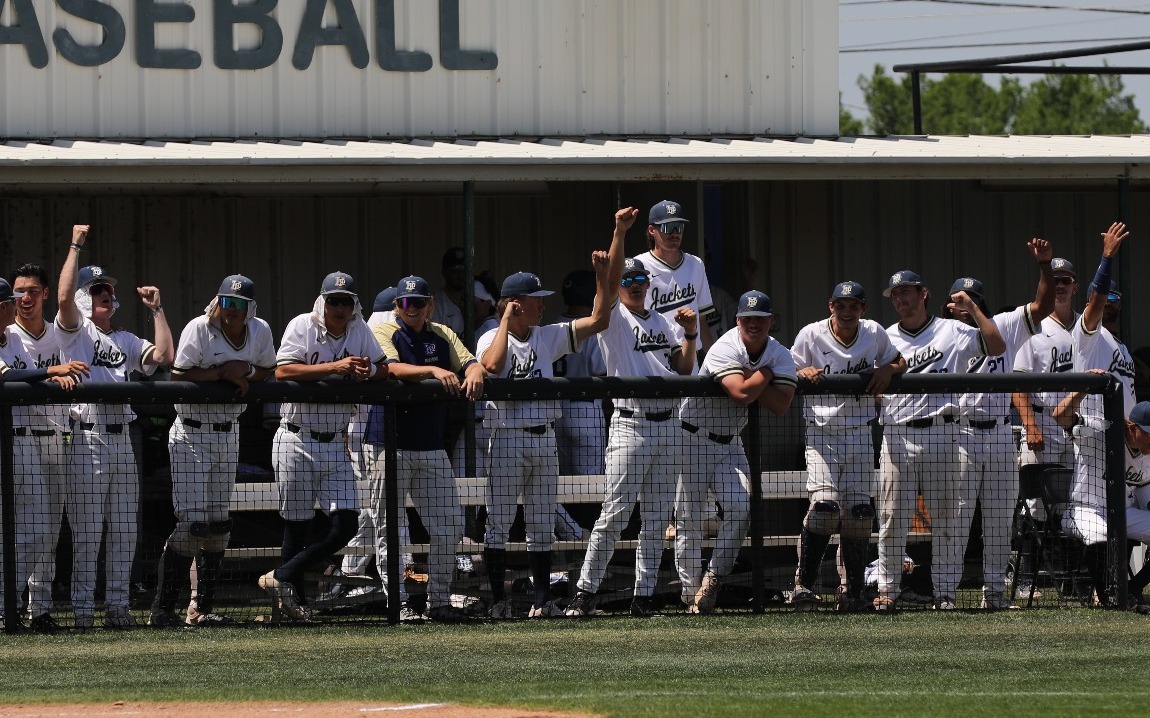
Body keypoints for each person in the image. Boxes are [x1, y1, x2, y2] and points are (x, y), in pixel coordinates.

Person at [566, 207, 698, 618]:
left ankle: (644, 596)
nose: (636, 284)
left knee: (657, 519)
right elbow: (608, 282)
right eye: (629, 279)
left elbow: (684, 368)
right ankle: (585, 592)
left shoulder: (663, 320)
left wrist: (691, 333)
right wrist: (619, 232)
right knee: (616, 514)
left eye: (641, 279)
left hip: (667, 424)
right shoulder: (614, 319)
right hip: (631, 425)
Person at [476, 250, 614, 620]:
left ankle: (541, 600)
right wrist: (504, 319)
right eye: (536, 301)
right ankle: (498, 600)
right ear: (516, 305)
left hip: (543, 437)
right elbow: (491, 365)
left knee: (540, 522)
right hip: (506, 436)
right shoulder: (491, 336)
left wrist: (602, 279)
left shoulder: (548, 336)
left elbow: (599, 320)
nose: (542, 306)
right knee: (499, 522)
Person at [56, 225, 175, 629]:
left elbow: (163, 355)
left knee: (124, 529)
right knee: (88, 533)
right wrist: (75, 246)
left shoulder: (123, 337)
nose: (105, 294)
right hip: (86, 435)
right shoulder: (74, 330)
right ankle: (84, 611)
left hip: (123, 437)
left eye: (107, 289)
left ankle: (119, 607)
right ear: (83, 298)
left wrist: (157, 309)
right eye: (96, 289)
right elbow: (62, 296)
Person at [258, 272, 388, 622]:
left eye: (346, 301)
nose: (340, 307)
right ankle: (292, 604)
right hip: (297, 436)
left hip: (335, 442)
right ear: (322, 301)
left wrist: (366, 369)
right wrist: (336, 366)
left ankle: (281, 577)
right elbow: (282, 372)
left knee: (345, 524)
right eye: (334, 300)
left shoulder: (359, 330)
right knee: (297, 525)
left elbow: (383, 369)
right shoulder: (302, 325)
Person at [874, 270, 1005, 612]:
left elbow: (996, 345)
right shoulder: (884, 338)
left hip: (943, 431)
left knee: (946, 518)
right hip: (897, 435)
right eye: (895, 294)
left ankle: (944, 592)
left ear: (924, 294)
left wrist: (973, 310)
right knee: (892, 517)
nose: (901, 299)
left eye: (907, 292)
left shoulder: (952, 330)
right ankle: (888, 590)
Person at [152, 274, 277, 627]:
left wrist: (246, 370)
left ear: (250, 308)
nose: (231, 310)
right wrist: (223, 372)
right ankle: (162, 609)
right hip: (192, 433)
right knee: (192, 526)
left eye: (238, 304)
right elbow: (178, 375)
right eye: (226, 301)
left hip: (228, 432)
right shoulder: (199, 328)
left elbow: (269, 369)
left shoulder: (260, 331)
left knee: (219, 527)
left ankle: (200, 608)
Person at [370, 274, 486, 623]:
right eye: (405, 303)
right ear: (397, 306)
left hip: (431, 444)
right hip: (389, 443)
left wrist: (476, 370)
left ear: (430, 304)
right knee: (389, 527)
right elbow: (392, 368)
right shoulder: (385, 331)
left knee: (450, 524)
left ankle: (438, 601)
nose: (412, 309)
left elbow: (469, 361)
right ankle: (400, 603)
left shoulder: (442, 333)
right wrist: (434, 370)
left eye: (418, 303)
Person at [947, 240, 1056, 611]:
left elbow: (1043, 307)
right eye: (956, 300)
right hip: (958, 433)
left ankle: (993, 592)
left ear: (979, 302)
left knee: (997, 518)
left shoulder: (1004, 327)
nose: (960, 306)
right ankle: (945, 592)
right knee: (957, 518)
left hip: (997, 433)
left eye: (968, 300)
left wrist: (1044, 266)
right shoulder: (943, 336)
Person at [677, 290, 799, 614]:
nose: (753, 324)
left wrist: (758, 379)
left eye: (760, 319)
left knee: (742, 507)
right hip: (693, 436)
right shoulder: (726, 346)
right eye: (748, 318)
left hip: (730, 442)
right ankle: (690, 596)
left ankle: (713, 579)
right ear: (738, 320)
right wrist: (767, 375)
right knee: (688, 520)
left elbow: (780, 405)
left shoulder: (779, 353)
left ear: (771, 321)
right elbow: (742, 394)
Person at [787, 281, 904, 612]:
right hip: (822, 432)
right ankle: (802, 586)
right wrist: (801, 370)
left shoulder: (874, 333)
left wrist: (886, 369)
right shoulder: (811, 335)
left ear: (863, 309)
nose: (847, 311)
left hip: (859, 431)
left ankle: (852, 591)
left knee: (860, 514)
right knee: (824, 510)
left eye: (854, 305)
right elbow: (785, 366)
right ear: (831, 306)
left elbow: (900, 362)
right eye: (841, 305)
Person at [3, 261, 93, 632]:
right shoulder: (10, 335)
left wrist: (56, 375)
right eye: (13, 296)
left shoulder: (14, 339)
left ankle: (33, 609)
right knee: (18, 532)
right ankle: (9, 605)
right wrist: (52, 372)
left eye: (28, 292)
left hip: (50, 438)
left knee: (43, 530)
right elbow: (14, 380)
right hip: (15, 441)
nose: (19, 301)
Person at [1061, 222, 1136, 605]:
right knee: (1100, 530)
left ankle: (1126, 590)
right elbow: (1096, 297)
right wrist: (1107, 258)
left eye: (1114, 302)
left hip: (1125, 445)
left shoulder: (1120, 346)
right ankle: (1105, 593)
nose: (1109, 305)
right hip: (1094, 434)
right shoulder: (1087, 332)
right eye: (1105, 300)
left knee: (1123, 523)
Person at [1011, 255, 1080, 598]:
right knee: (1036, 506)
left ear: (1074, 286)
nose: (1061, 286)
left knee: (1075, 504)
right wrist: (1030, 424)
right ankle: (1025, 579)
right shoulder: (1034, 330)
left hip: (1081, 428)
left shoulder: (1087, 328)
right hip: (1042, 422)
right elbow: (1017, 386)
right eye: (1055, 281)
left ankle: (1072, 581)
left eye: (1066, 280)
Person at [335, 286, 399, 601]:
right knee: (371, 507)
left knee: (381, 506)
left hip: (371, 430)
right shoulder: (373, 329)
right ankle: (349, 572)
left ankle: (357, 570)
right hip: (363, 432)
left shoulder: (363, 331)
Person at [635, 200, 716, 352]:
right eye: (668, 227)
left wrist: (713, 364)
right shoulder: (639, 265)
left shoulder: (695, 264)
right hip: (655, 354)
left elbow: (702, 321)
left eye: (679, 227)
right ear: (652, 230)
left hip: (690, 354)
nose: (674, 233)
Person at [552, 269, 608, 478]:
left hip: (557, 412)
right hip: (585, 410)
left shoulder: (552, 324)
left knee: (565, 485)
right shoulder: (593, 328)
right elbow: (601, 372)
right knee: (590, 485)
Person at [431, 247, 468, 337]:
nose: (460, 274)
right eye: (454, 270)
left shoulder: (480, 299)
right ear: (444, 272)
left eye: (464, 269)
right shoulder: (436, 302)